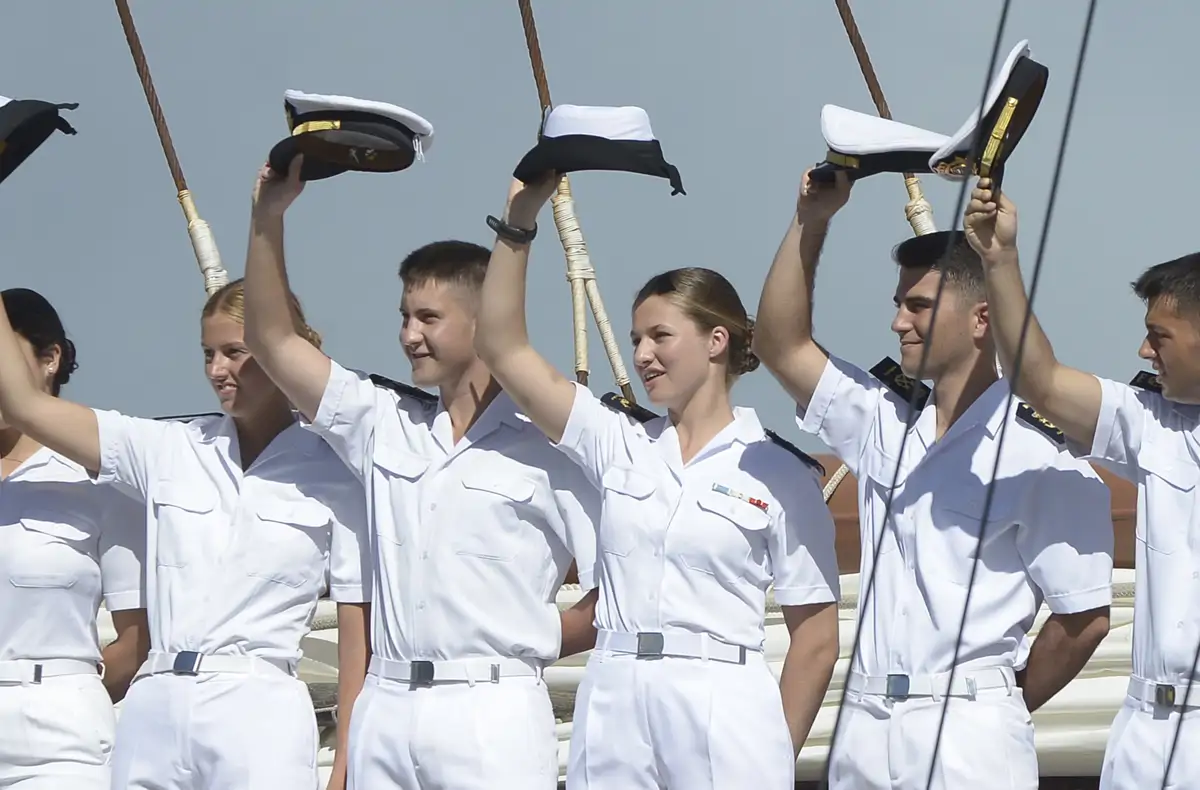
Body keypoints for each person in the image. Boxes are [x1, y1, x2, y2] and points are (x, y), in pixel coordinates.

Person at [239, 154, 602, 790]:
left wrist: (535, 637)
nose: (409, 335)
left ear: (483, 318)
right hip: (386, 704)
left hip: (493, 711)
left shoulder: (557, 446)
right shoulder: (379, 423)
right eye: (404, 317)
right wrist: (268, 216)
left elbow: (622, 584)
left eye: (428, 318)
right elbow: (272, 342)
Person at [470, 171, 841, 790]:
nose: (641, 354)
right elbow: (503, 347)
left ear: (717, 341)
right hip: (615, 696)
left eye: (660, 336)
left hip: (724, 700)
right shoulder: (617, 442)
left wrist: (773, 752)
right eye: (637, 337)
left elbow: (816, 637)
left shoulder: (778, 473)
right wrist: (519, 219)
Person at [752, 168, 1115, 790]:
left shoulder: (1039, 455)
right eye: (898, 304)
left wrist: (996, 704)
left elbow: (1082, 620)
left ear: (981, 319)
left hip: (969, 735)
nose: (898, 322)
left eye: (918, 305)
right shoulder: (882, 422)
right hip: (864, 725)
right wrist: (812, 221)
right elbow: (780, 345)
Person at [0, 278, 370, 790]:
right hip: (155, 709)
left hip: (258, 708)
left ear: (286, 350)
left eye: (235, 352)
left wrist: (346, 769)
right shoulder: (167, 449)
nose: (217, 371)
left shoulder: (338, 472)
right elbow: (24, 404)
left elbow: (356, 639)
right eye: (207, 354)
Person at [964, 177, 1200, 789]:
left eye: (1162, 335)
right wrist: (1000, 258)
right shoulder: (1154, 427)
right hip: (1147, 731)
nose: (1144, 350)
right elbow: (1037, 380)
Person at [0, 287, 147, 790]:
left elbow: (138, 635)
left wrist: (74, 696)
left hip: (61, 744)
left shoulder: (101, 480)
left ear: (50, 359)